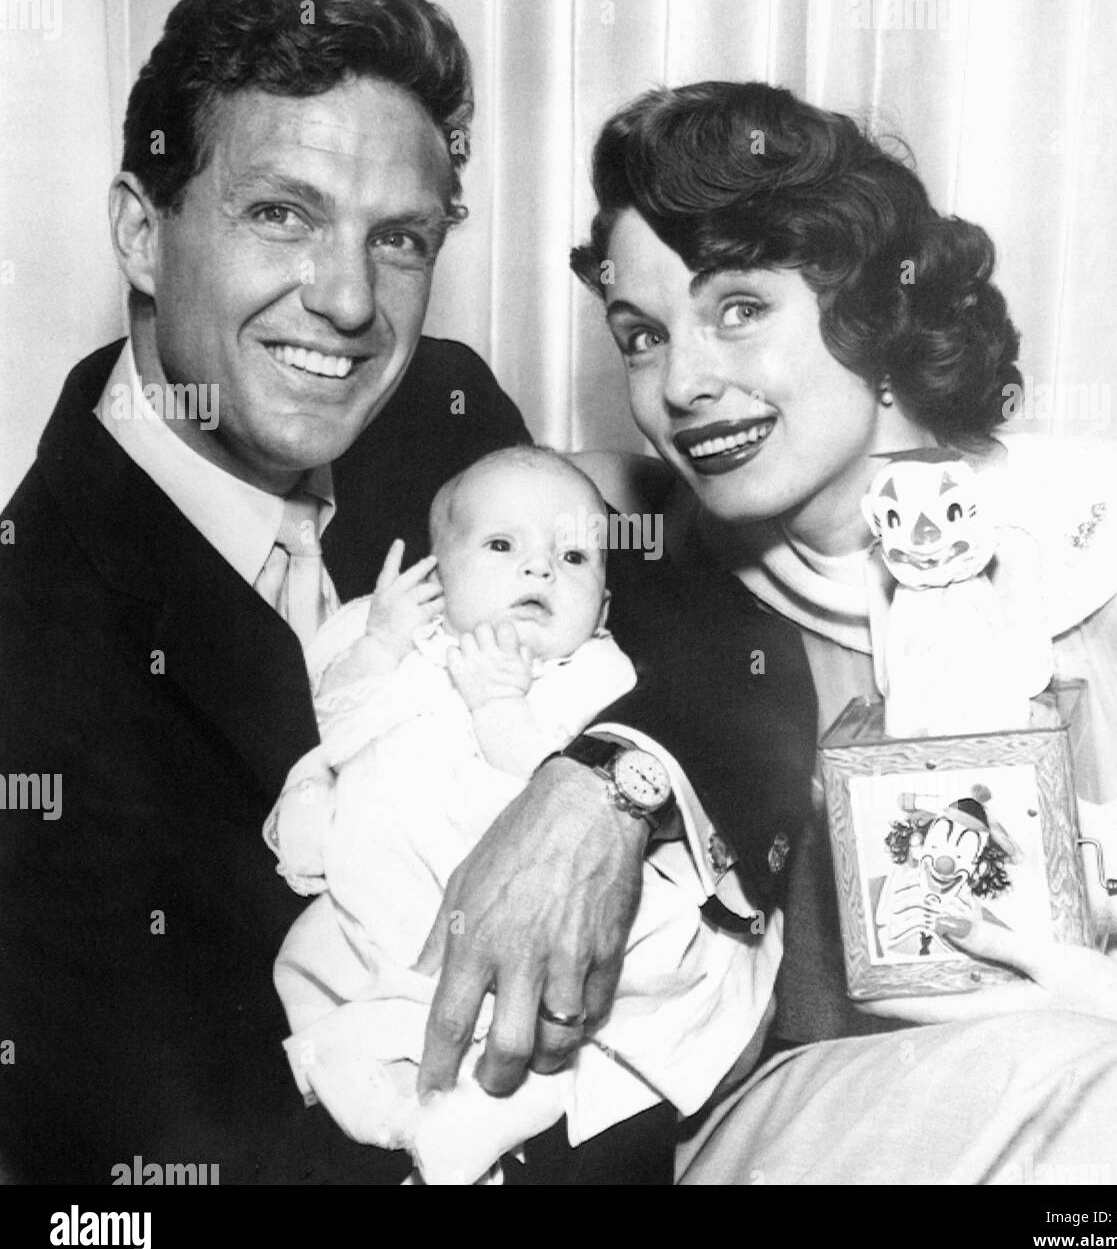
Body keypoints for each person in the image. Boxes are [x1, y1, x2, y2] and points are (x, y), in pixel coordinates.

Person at [0, 0, 809, 1185]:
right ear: (140, 231)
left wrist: (605, 784)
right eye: (282, 213)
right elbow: (147, 1159)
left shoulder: (438, 408)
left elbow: (725, 634)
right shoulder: (29, 655)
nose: (345, 301)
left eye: (399, 240)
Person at [570, 80, 1117, 1183]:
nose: (681, 382)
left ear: (873, 311)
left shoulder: (1107, 538)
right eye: (641, 335)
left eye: (738, 308)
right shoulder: (658, 564)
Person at [265, 446, 779, 1183]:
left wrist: (498, 704)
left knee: (591, 1026)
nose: (540, 571)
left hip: (536, 915)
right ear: (438, 575)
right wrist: (378, 644)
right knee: (332, 988)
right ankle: (400, 1116)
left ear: (602, 607)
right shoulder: (394, 638)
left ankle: (494, 1116)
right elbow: (333, 724)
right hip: (391, 904)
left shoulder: (593, 672)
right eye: (503, 546)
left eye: (573, 556)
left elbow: (540, 806)